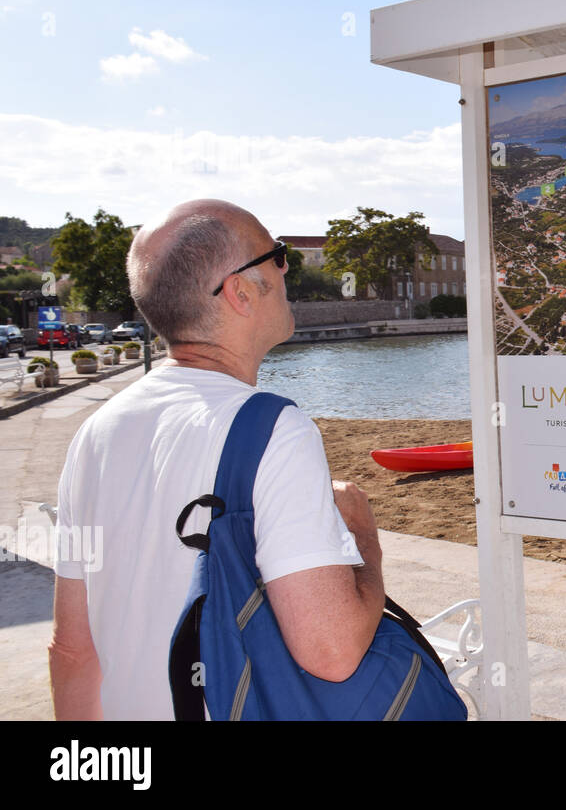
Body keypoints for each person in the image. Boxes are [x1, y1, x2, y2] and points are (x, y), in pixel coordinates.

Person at [48, 199, 385, 719]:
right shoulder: (272, 429)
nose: (287, 267)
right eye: (277, 255)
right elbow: (332, 653)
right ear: (240, 291)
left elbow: (73, 649)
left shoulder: (96, 433)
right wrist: (364, 542)